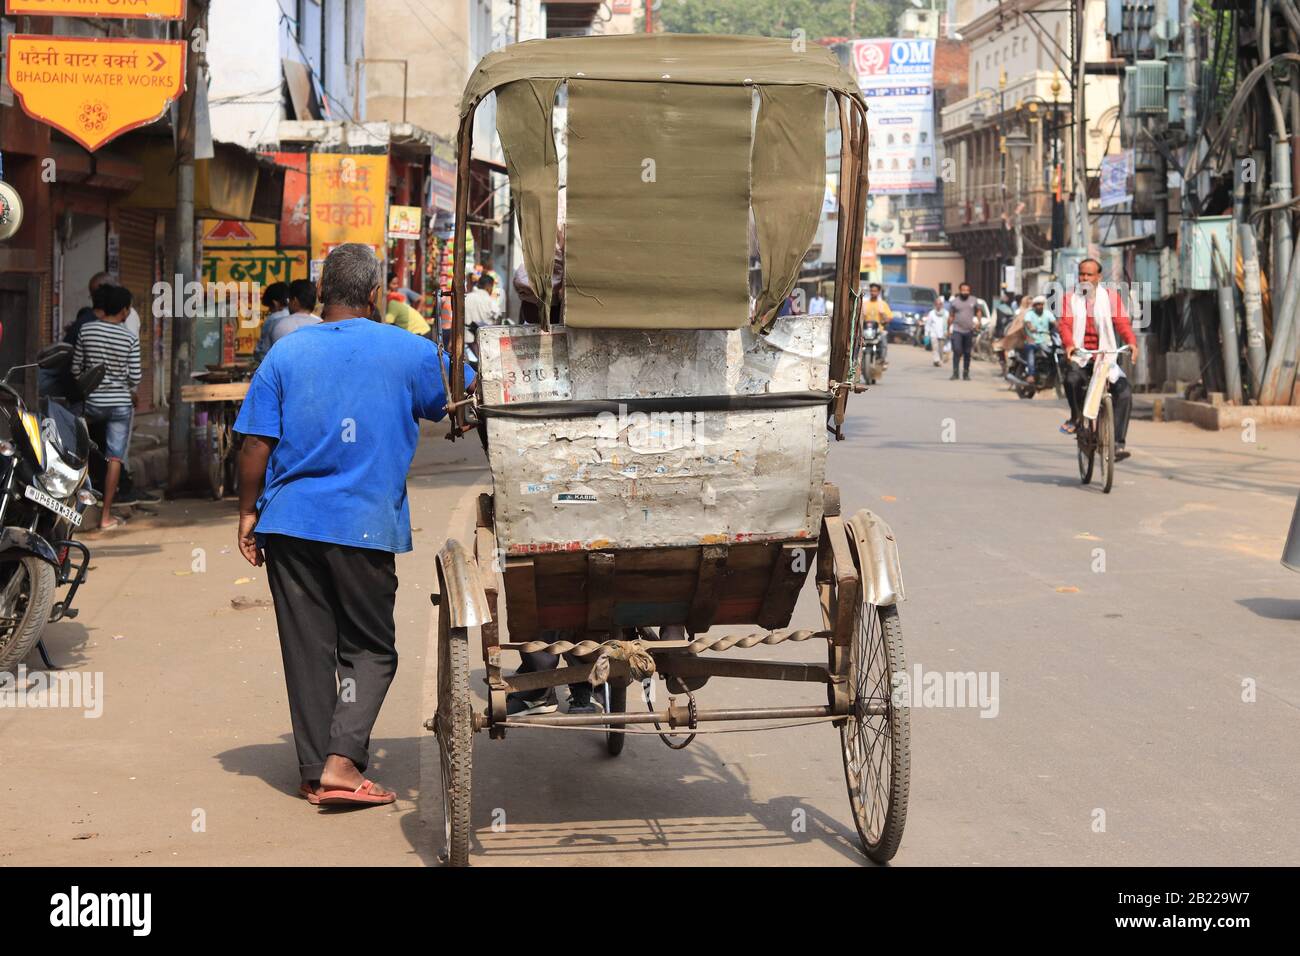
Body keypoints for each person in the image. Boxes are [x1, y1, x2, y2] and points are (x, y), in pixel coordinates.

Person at [234, 243, 473, 808]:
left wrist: (248, 514)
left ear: (321, 295)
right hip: (362, 526)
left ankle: (316, 769)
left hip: (288, 524)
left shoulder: (287, 353)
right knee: (370, 649)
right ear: (375, 296)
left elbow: (254, 445)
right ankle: (341, 765)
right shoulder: (408, 350)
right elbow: (463, 391)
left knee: (308, 648)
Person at [72, 284, 140, 532]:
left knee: (80, 452)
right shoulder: (129, 337)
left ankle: (77, 509)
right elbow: (134, 377)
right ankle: (106, 516)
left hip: (91, 403)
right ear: (123, 310)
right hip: (120, 404)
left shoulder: (87, 330)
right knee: (114, 457)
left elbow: (76, 367)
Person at [1059, 258, 1139, 460]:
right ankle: (1077, 418)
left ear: (1099, 277)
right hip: (1081, 356)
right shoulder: (1070, 298)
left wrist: (1131, 342)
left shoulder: (1111, 297)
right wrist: (1069, 344)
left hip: (1106, 356)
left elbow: (1122, 323)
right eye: (1082, 274)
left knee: (1124, 392)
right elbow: (1065, 325)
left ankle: (1118, 444)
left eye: (1089, 274)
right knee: (1072, 380)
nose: (1085, 278)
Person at [946, 282, 984, 380]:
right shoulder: (954, 302)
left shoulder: (973, 300)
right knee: (957, 350)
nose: (965, 292)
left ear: (969, 291)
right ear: (960, 290)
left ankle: (966, 373)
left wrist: (979, 321)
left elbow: (979, 311)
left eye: (967, 290)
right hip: (957, 330)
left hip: (969, 330)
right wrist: (948, 328)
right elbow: (951, 316)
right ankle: (955, 373)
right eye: (963, 290)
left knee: (967, 352)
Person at [268, 278, 322, 346]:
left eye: (289, 300)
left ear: (295, 301)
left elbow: (265, 353)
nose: (288, 304)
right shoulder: (321, 325)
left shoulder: (280, 324)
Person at [1021, 294, 1057, 383]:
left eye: (1041, 304)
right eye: (1037, 304)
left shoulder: (1047, 313)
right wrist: (1031, 327)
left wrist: (1060, 328)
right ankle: (1031, 374)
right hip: (1032, 340)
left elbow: (1055, 323)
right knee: (1030, 351)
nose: (1039, 306)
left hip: (1045, 341)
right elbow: (1027, 323)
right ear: (1034, 306)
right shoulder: (1029, 314)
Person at [254, 282, 291, 361]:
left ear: (275, 304)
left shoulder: (272, 320)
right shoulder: (297, 316)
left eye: (270, 307)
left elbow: (262, 352)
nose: (269, 311)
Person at [923, 297, 949, 367]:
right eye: (937, 304)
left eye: (940, 304)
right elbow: (928, 324)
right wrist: (926, 333)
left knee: (941, 349)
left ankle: (939, 360)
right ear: (935, 305)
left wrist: (949, 331)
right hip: (933, 334)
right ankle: (936, 360)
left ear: (942, 305)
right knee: (935, 348)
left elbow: (949, 323)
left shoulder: (946, 313)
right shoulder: (931, 313)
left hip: (943, 334)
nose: (938, 305)